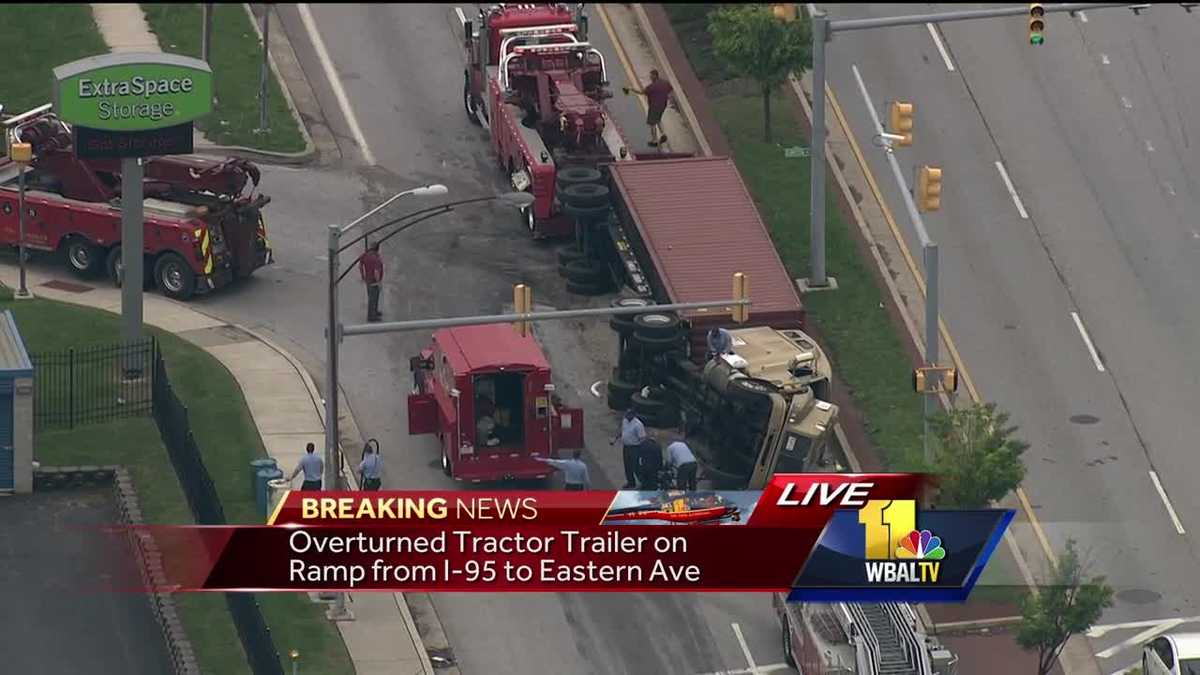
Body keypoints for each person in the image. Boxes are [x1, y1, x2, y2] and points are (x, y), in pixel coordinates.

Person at [623, 69, 674, 147]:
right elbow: (670, 90)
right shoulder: (665, 83)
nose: (650, 77)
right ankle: (663, 134)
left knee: (652, 123)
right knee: (658, 119)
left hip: (654, 106)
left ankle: (654, 140)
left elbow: (641, 92)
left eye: (651, 76)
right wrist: (669, 98)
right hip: (663, 105)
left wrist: (631, 89)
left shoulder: (652, 86)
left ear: (655, 76)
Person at [611, 408, 647, 489]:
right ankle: (631, 482)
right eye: (626, 414)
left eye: (629, 415)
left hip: (635, 448)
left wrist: (642, 451)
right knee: (627, 466)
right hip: (626, 447)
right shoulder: (625, 421)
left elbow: (642, 438)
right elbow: (622, 431)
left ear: (633, 415)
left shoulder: (638, 425)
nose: (626, 416)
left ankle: (643, 483)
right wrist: (615, 439)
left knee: (636, 467)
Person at [359, 241, 384, 322]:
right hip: (374, 281)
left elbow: (360, 265)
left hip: (368, 279)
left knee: (372, 297)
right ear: (377, 249)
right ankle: (371, 317)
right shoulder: (376, 258)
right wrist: (379, 282)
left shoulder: (365, 255)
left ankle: (374, 312)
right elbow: (376, 272)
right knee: (373, 298)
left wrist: (362, 275)